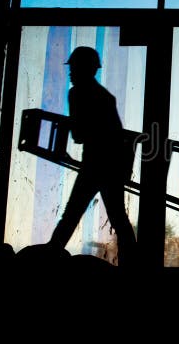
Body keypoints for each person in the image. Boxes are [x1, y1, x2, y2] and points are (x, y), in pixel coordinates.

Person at [48, 46, 136, 267]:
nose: (71, 72)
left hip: (95, 164)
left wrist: (71, 126)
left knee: (72, 214)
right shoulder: (105, 96)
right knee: (118, 219)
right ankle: (134, 265)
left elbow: (79, 135)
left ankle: (51, 254)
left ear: (84, 68)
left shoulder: (77, 94)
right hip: (111, 165)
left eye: (74, 67)